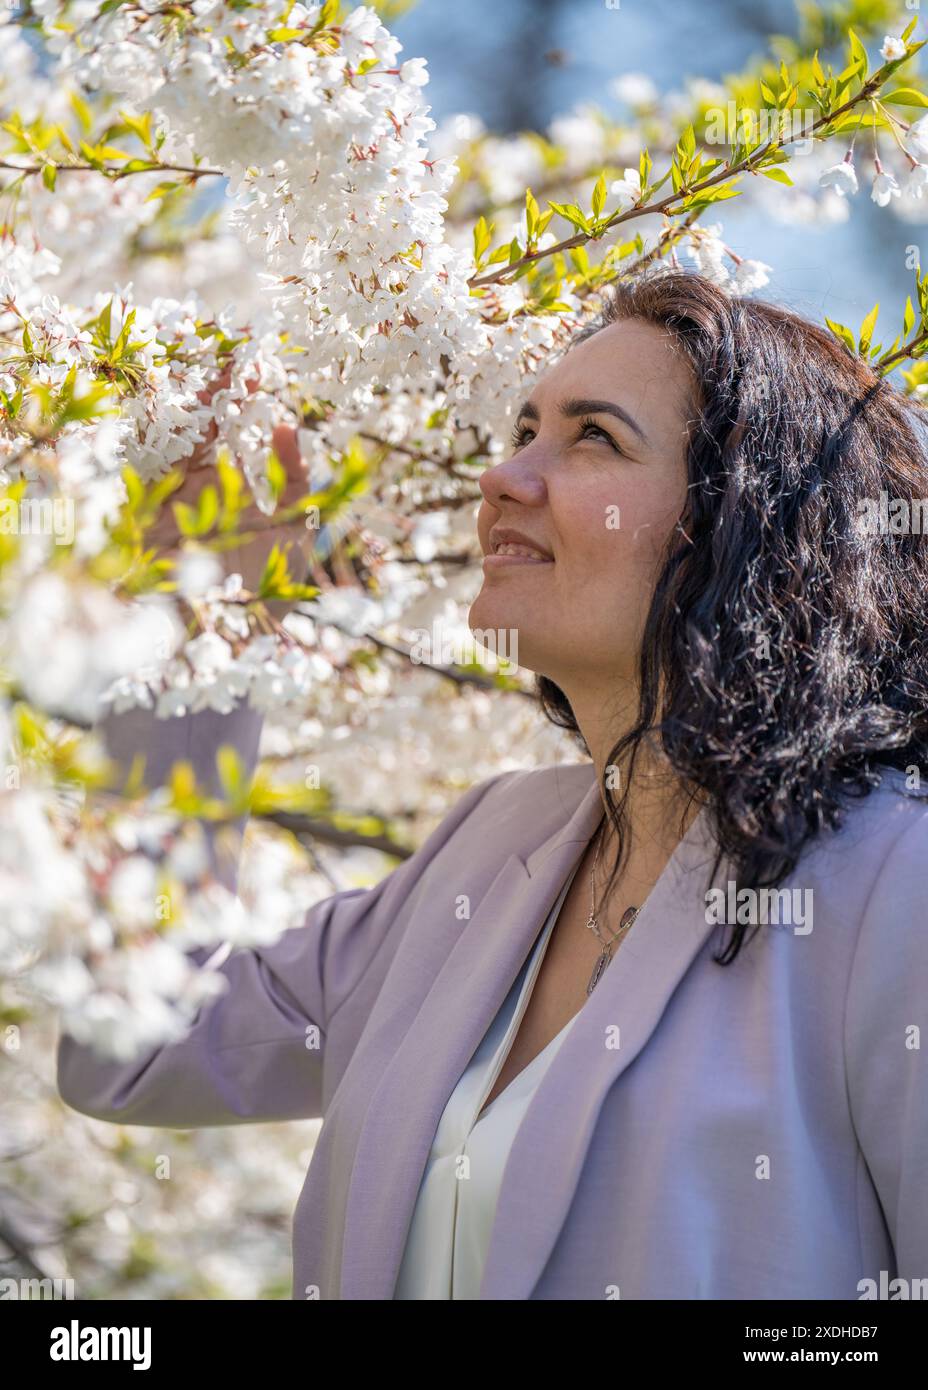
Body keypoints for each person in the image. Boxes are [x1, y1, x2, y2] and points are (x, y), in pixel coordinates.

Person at [57, 269, 928, 1300]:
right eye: (523, 427)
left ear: (745, 522)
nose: (504, 475)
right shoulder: (488, 847)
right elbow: (137, 1046)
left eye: (592, 435)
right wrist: (198, 614)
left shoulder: (892, 883)